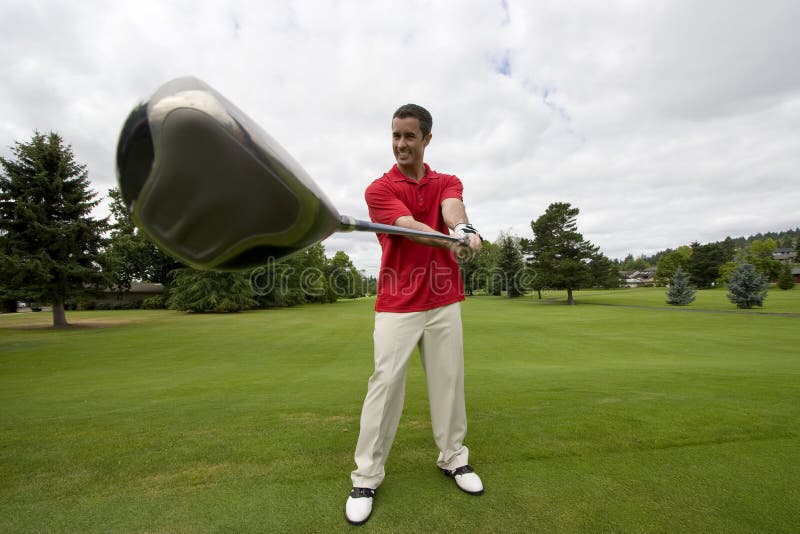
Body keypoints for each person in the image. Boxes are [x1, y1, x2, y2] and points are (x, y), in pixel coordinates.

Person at [344, 104, 484, 526]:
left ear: (426, 139)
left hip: (443, 300)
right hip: (398, 303)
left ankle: (453, 458)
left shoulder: (447, 181)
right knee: (384, 387)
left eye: (409, 136)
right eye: (395, 136)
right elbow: (410, 225)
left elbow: (451, 208)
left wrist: (462, 230)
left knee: (448, 383)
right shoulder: (379, 190)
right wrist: (449, 242)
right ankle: (366, 476)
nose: (401, 144)